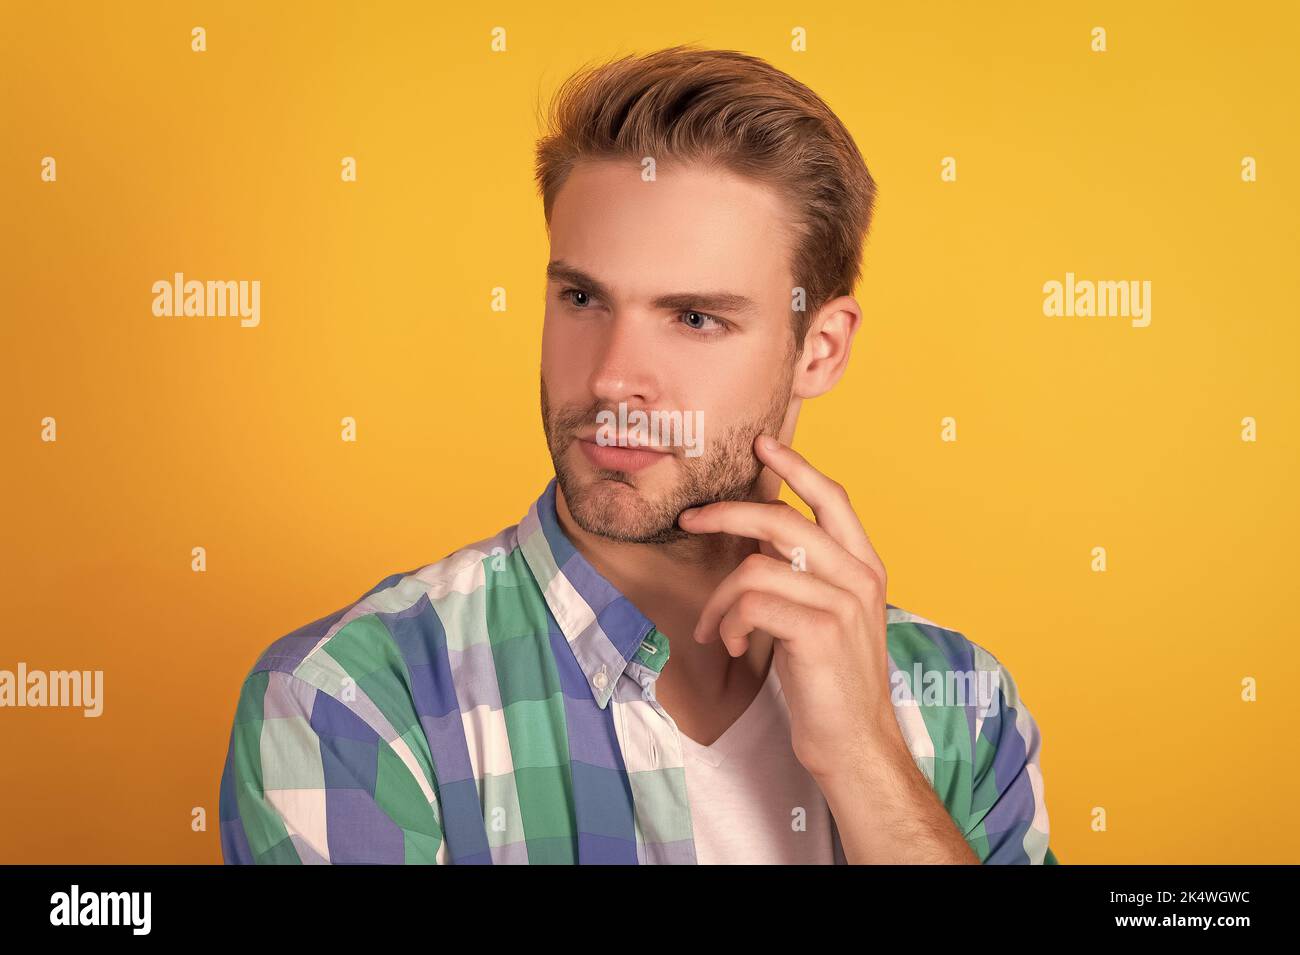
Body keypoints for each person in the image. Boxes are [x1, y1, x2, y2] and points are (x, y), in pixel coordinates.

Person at [219, 44, 1056, 865]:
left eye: (695, 318)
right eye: (582, 298)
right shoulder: (353, 702)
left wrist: (870, 763)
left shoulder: (964, 706)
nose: (614, 378)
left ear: (820, 350)